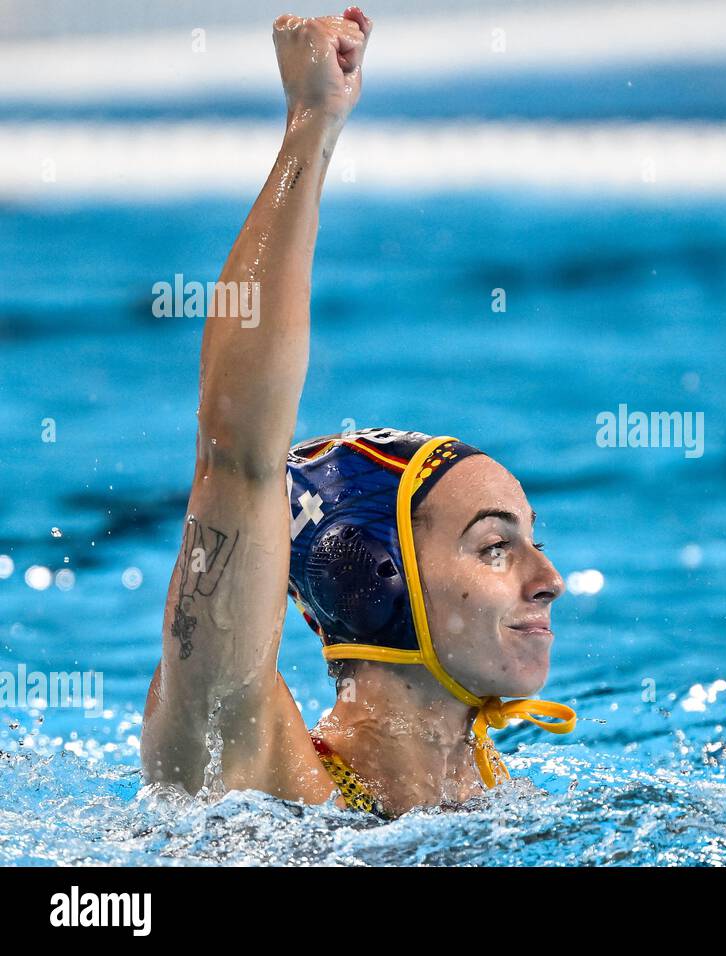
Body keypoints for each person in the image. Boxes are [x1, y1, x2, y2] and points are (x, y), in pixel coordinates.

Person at [140, 7, 576, 819]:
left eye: (531, 545)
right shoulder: (250, 760)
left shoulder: (502, 797)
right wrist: (312, 126)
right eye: (495, 548)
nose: (548, 581)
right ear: (372, 578)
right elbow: (237, 453)